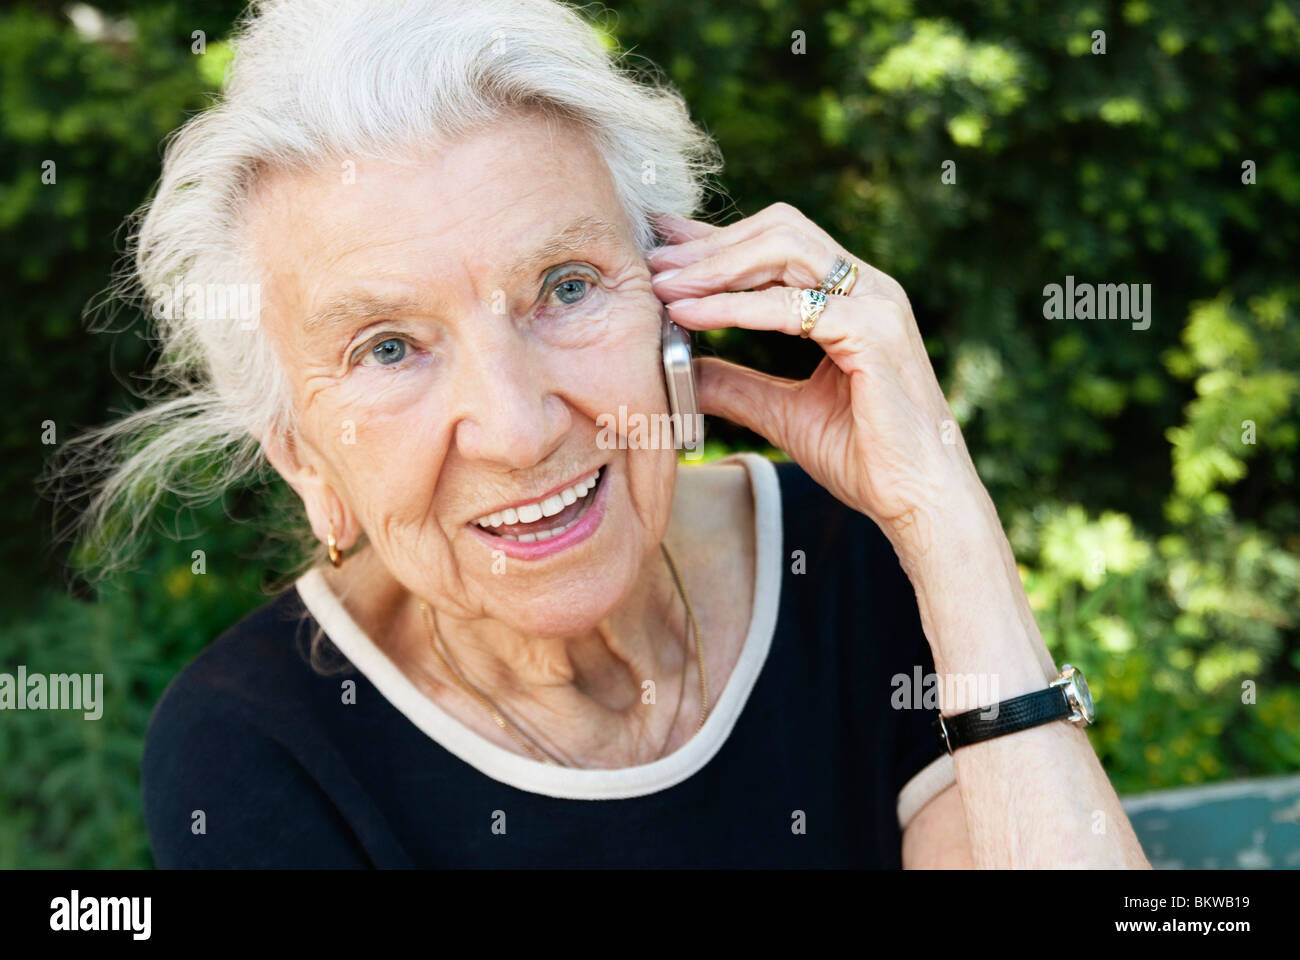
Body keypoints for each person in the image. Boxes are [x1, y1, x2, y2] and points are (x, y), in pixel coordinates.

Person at [62, 0, 1150, 868]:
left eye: (566, 286)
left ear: (678, 304)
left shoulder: (848, 558)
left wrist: (942, 519)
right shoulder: (261, 746)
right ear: (304, 454)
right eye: (388, 348)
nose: (517, 426)